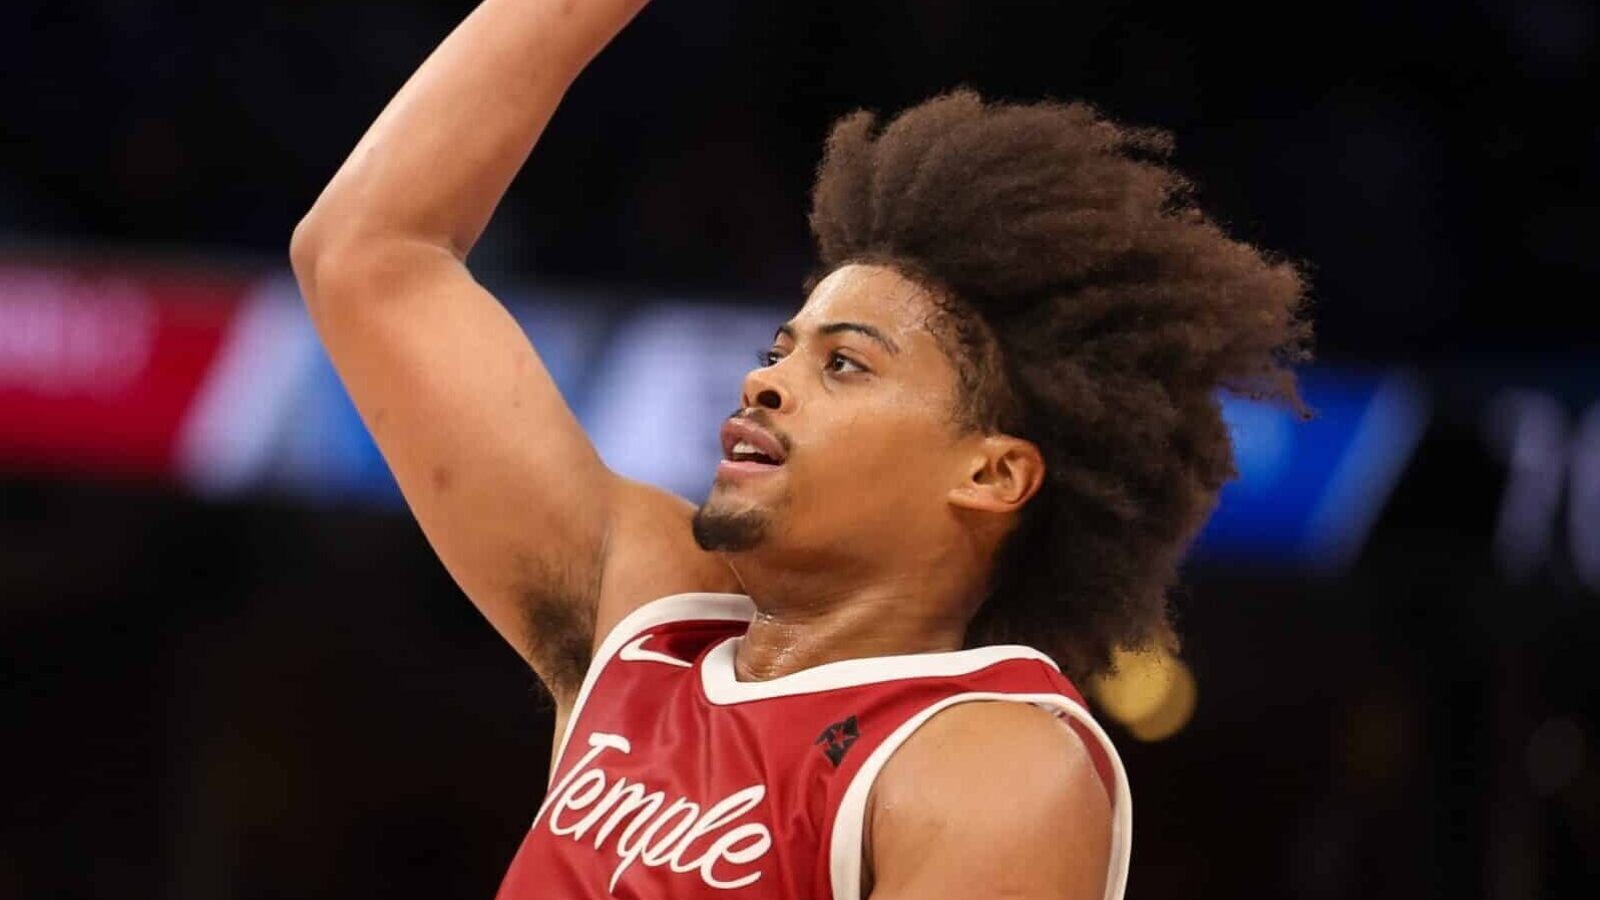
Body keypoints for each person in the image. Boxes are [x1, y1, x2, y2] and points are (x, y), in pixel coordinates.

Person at [289, 1, 1311, 897]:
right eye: (778, 350)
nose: (764, 381)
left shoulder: (985, 760)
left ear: (991, 473)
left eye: (844, 364)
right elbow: (367, 255)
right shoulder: (651, 617)